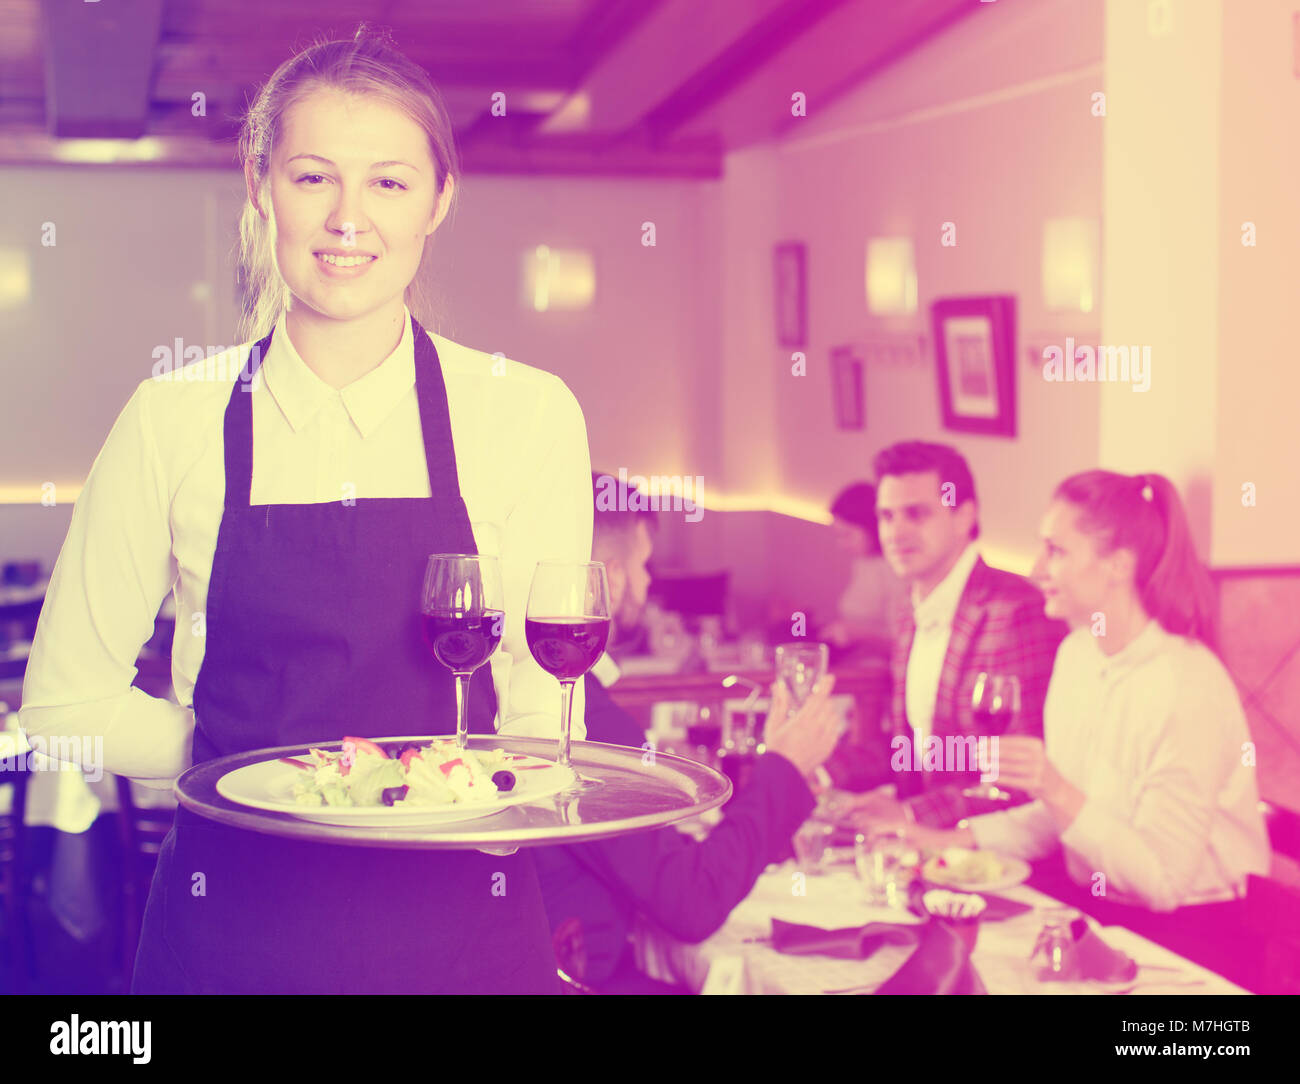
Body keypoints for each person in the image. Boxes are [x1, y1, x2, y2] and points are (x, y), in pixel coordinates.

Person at [19, 28, 593, 994]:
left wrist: (465, 800)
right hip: (236, 925)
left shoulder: (526, 413)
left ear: (438, 202)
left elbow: (541, 709)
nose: (347, 219)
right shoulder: (173, 417)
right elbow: (62, 707)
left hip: (462, 931)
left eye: (390, 183)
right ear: (260, 185)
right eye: (313, 176)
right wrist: (227, 761)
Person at [881, 471, 1271, 986]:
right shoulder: (1078, 652)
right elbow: (1060, 817)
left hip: (1190, 942)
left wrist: (1053, 784)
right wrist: (941, 840)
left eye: (1056, 551)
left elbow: (1162, 883)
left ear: (1118, 563)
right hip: (1099, 919)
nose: (1038, 568)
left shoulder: (1184, 685)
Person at [533, 473, 843, 993]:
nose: (649, 582)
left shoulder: (545, 690)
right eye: (642, 564)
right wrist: (786, 766)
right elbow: (692, 901)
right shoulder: (576, 713)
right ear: (608, 576)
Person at [824, 441, 1067, 826]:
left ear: (963, 516)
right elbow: (914, 750)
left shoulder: (1016, 612)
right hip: (916, 853)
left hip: (990, 858)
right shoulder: (910, 607)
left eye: (916, 514)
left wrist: (908, 814)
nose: (896, 532)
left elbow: (1021, 781)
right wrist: (819, 774)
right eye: (887, 516)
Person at [821, 481, 905, 658]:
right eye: (838, 536)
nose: (841, 544)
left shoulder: (896, 571)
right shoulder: (863, 562)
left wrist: (858, 634)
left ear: (871, 527)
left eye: (847, 535)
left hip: (877, 674)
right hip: (854, 661)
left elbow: (902, 643)